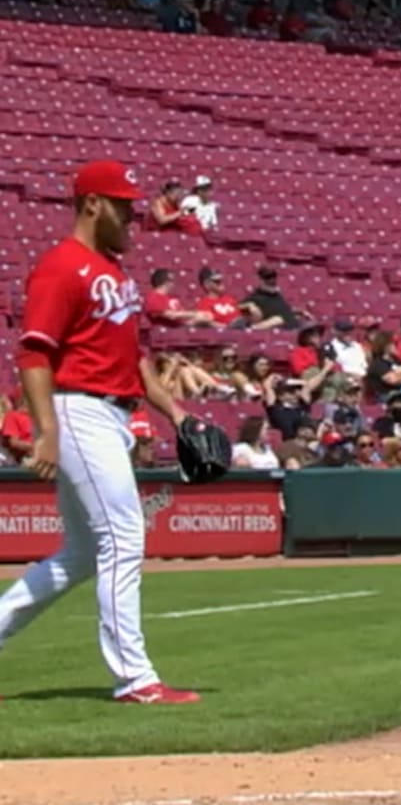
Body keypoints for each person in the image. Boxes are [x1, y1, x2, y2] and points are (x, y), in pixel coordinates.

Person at [0, 161, 201, 704]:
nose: (132, 213)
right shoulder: (62, 268)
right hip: (77, 411)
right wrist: (46, 431)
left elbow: (135, 361)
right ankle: (135, 679)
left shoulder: (115, 273)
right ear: (91, 204)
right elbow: (34, 352)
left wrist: (178, 414)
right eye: (122, 204)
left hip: (111, 413)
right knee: (123, 536)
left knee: (84, 553)